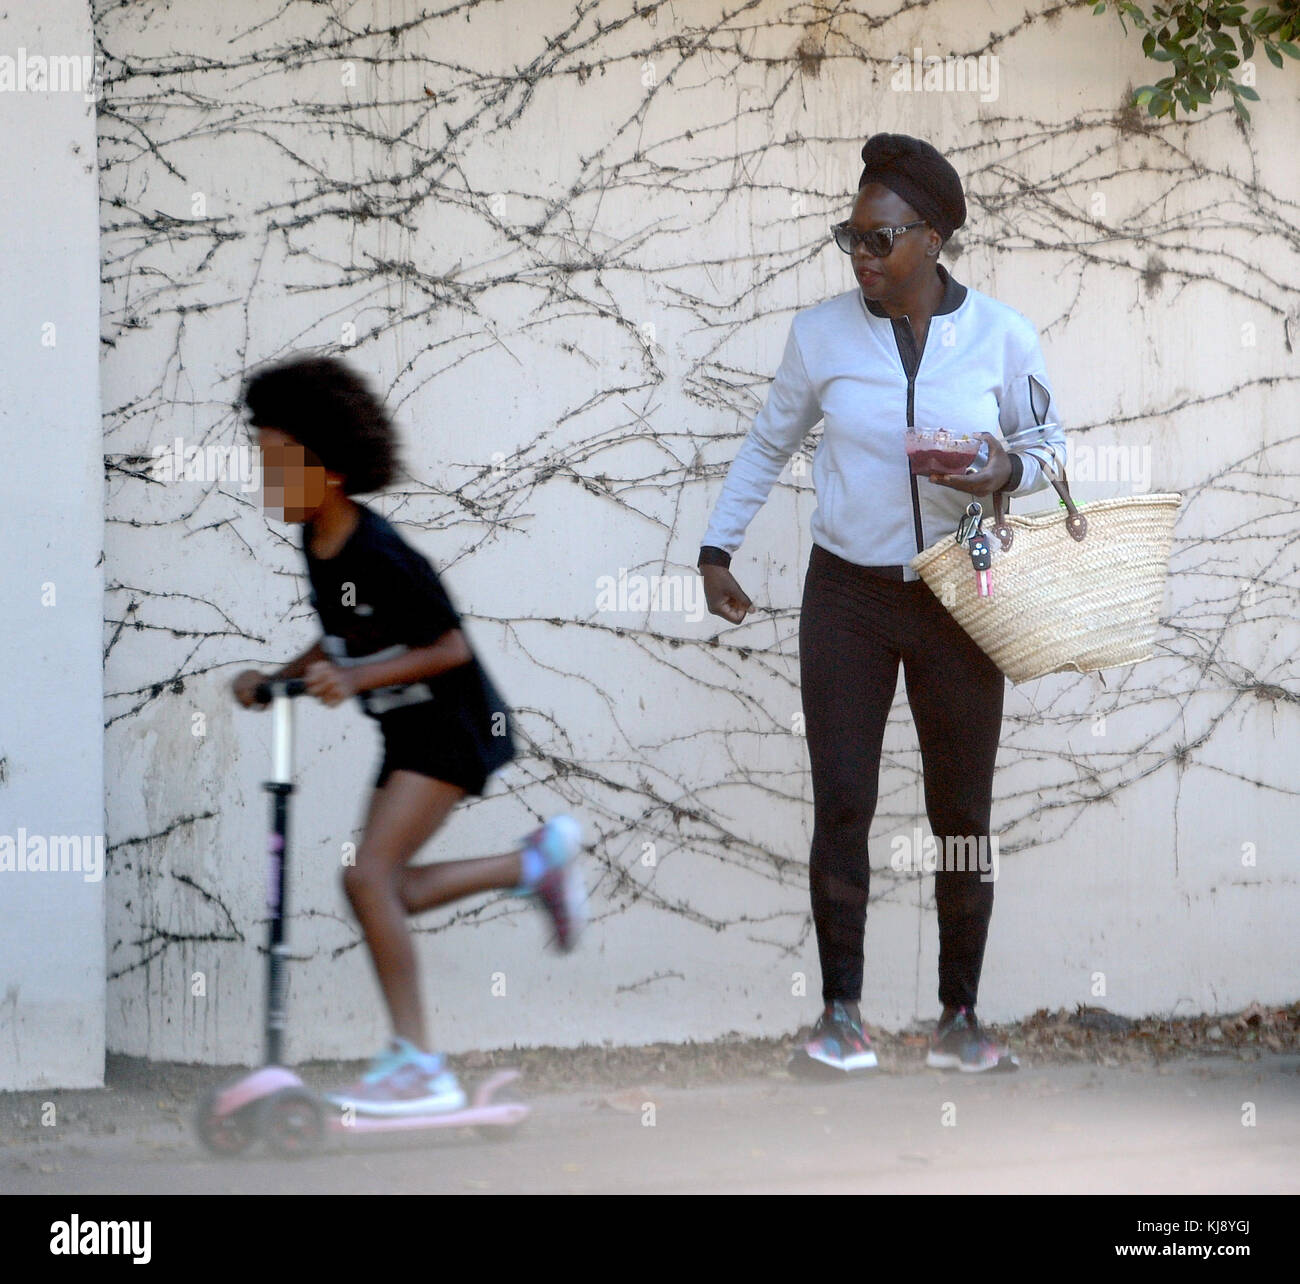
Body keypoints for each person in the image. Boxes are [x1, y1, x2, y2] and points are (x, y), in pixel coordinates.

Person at [698, 134, 1067, 1075]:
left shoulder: (1003, 334)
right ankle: (840, 1017)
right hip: (849, 598)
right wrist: (717, 545)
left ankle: (960, 1019)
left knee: (961, 815)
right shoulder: (820, 334)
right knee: (844, 803)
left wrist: (1004, 466)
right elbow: (766, 441)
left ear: (933, 239)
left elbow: (1053, 448)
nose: (860, 257)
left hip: (958, 593)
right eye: (850, 238)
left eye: (879, 239)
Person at [231, 354, 585, 1115]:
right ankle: (530, 864)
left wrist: (355, 681)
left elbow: (449, 646)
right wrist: (277, 677)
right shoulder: (317, 542)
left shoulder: (375, 548)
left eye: (277, 464)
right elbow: (344, 636)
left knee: (365, 881)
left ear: (326, 467)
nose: (265, 483)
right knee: (383, 888)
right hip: (410, 734)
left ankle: (420, 1065)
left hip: (450, 728)